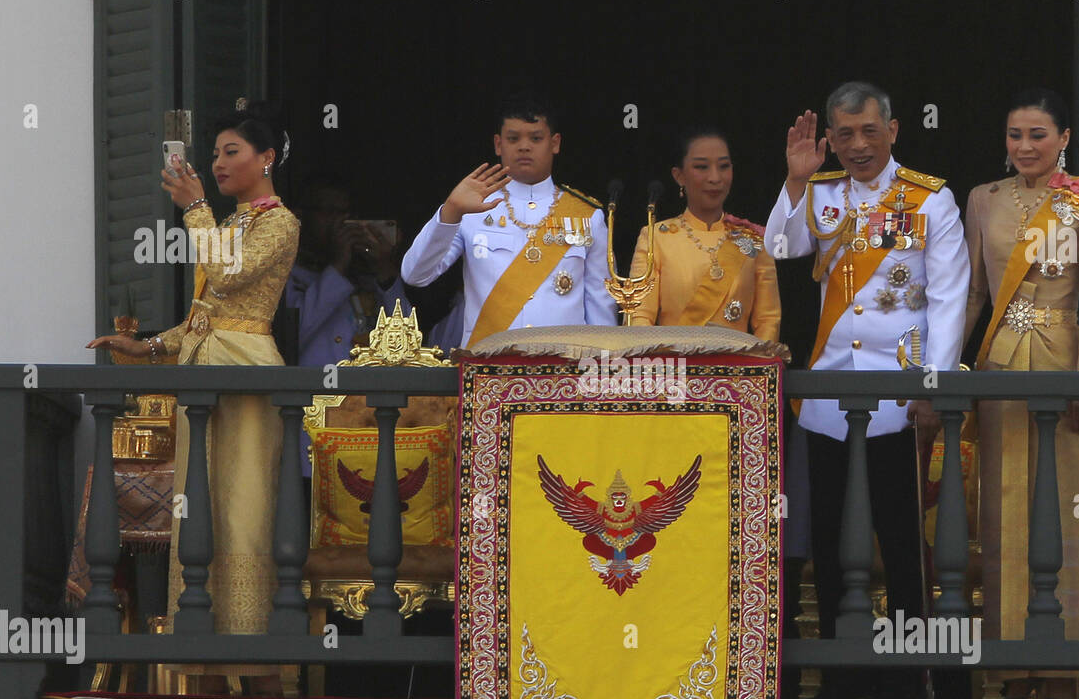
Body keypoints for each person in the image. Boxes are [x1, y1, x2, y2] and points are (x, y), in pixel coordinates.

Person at [763, 81, 969, 699]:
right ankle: (841, 681)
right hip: (828, 400)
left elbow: (949, 298)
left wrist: (933, 385)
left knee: (902, 546)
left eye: (868, 131)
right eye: (844, 134)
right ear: (830, 137)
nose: (857, 145)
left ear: (894, 130)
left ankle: (910, 685)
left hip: (898, 398)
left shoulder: (930, 201)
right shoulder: (821, 195)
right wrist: (796, 182)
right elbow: (778, 247)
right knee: (828, 543)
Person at [88, 99, 300, 692]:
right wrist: (151, 348)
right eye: (214, 154)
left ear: (267, 158)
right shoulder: (228, 223)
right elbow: (204, 315)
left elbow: (231, 277)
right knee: (198, 513)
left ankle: (256, 670)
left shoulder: (279, 222)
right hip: (201, 370)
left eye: (232, 152)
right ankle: (205, 664)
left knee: (244, 515)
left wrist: (196, 209)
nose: (219, 162)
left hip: (247, 375)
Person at [963, 88, 1079, 699]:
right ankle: (1008, 665)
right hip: (999, 367)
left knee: (1066, 510)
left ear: (1064, 139)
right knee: (1002, 513)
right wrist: (946, 369)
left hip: (1061, 363)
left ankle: (1067, 666)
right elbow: (973, 294)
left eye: (1038, 135)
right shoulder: (981, 200)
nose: (1025, 147)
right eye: (1015, 135)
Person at [401, 95, 618, 347]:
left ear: (555, 143)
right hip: (487, 368)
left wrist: (601, 367)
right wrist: (450, 211)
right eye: (513, 139)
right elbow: (415, 275)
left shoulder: (588, 215)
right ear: (498, 144)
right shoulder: (471, 209)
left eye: (536, 138)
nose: (524, 147)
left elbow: (601, 305)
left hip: (564, 370)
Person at [283, 176, 407, 479]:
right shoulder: (288, 274)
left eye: (345, 213)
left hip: (367, 422)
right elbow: (291, 338)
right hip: (311, 427)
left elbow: (406, 338)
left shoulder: (368, 277)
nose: (339, 222)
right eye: (328, 212)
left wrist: (384, 270)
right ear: (302, 216)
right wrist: (338, 266)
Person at [628, 129, 780, 342]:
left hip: (736, 371)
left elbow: (768, 321)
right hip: (675, 369)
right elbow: (640, 316)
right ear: (679, 176)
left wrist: (752, 368)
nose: (715, 178)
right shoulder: (655, 238)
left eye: (724, 166)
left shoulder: (753, 240)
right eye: (702, 167)